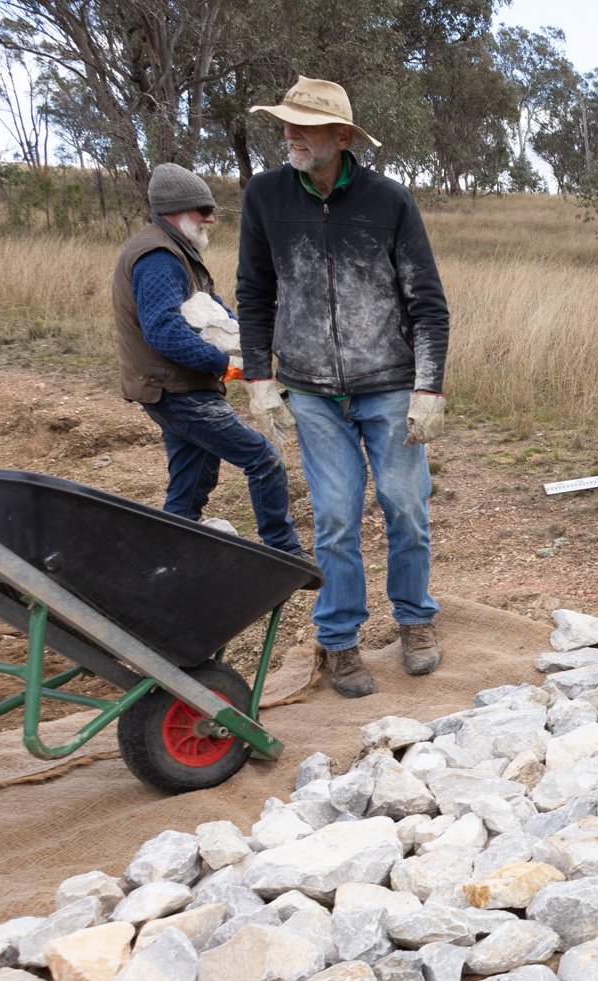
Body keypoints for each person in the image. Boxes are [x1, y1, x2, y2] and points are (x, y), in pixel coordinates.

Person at [236, 77, 451, 698]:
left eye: (304, 125)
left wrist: (428, 387)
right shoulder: (265, 195)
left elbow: (428, 305)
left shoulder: (389, 201)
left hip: (388, 384)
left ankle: (414, 621)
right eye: (287, 123)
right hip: (310, 390)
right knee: (334, 517)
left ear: (340, 137)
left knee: (405, 507)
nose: (290, 134)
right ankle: (340, 642)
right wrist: (259, 377)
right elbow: (254, 290)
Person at [111, 163, 301, 556]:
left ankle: (168, 558)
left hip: (172, 386)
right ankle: (284, 553)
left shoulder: (177, 250)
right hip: (175, 389)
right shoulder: (159, 257)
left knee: (192, 480)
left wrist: (253, 344)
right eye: (202, 210)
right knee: (263, 459)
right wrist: (223, 363)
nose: (211, 218)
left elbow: (214, 308)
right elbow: (163, 330)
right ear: (175, 211)